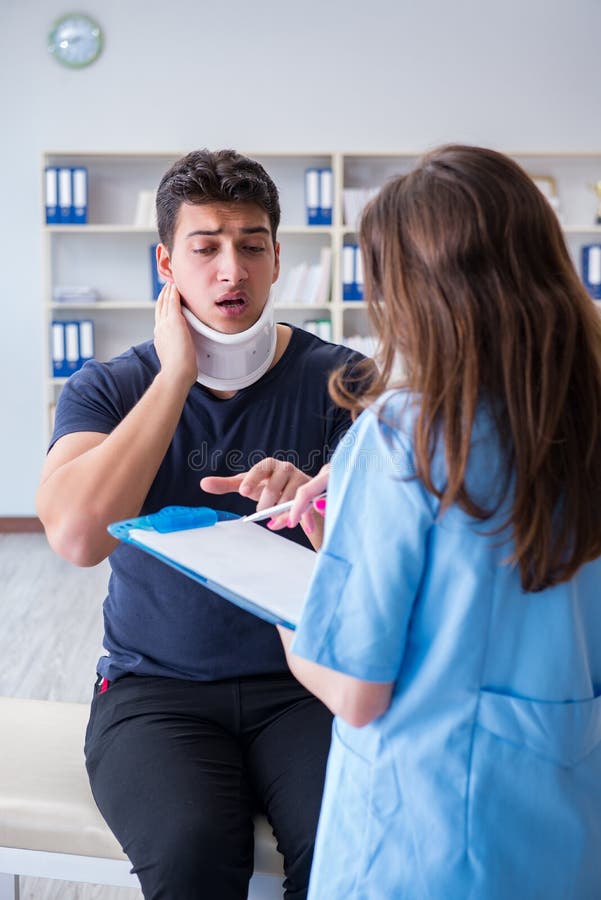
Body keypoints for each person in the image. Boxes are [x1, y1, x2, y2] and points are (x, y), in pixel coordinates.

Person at [275, 145, 601, 899]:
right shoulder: (584, 426)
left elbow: (356, 688)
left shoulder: (402, 436)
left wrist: (294, 608)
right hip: (562, 835)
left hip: (419, 843)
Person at [36, 148, 362, 900]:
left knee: (346, 851)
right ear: (166, 263)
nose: (231, 269)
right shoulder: (108, 386)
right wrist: (175, 373)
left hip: (306, 685)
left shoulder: (346, 384)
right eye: (206, 246)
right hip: (155, 690)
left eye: (251, 245)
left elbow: (396, 559)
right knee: (190, 857)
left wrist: (317, 504)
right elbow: (79, 538)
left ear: (278, 258)